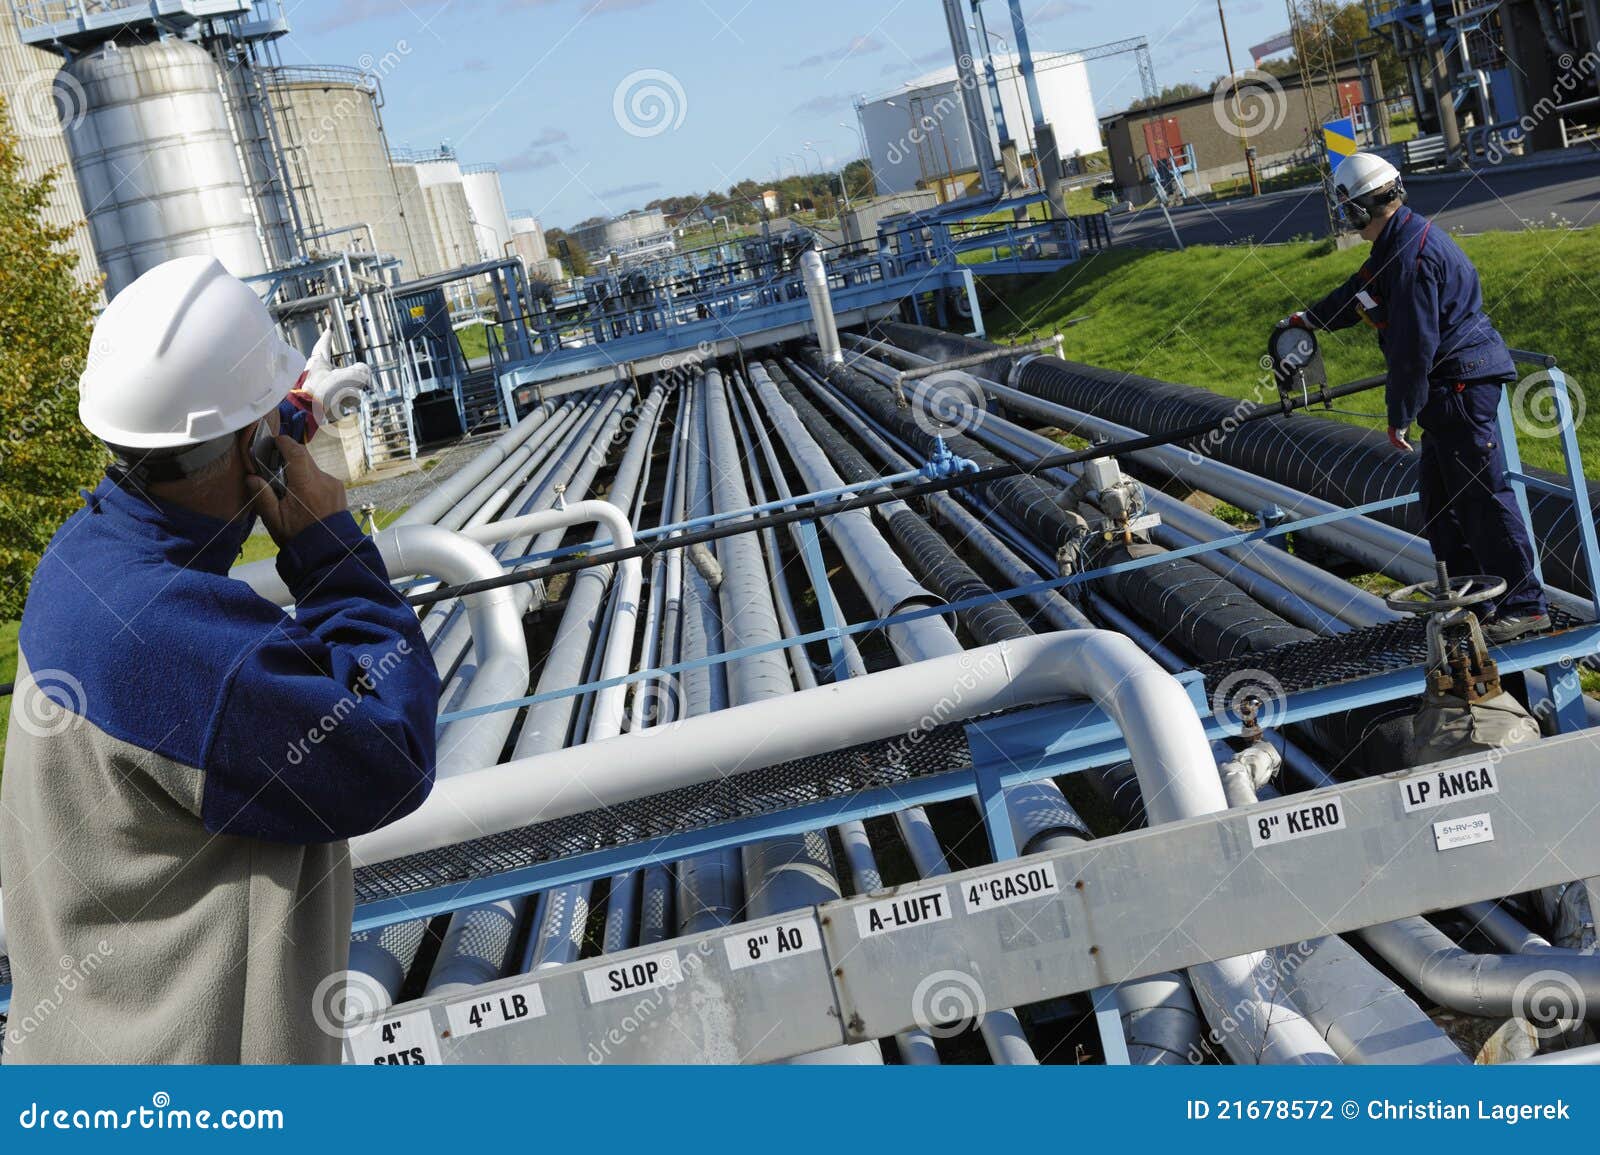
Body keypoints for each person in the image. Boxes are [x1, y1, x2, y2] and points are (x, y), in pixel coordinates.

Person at [0, 257, 440, 1063]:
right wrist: (331, 553)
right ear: (254, 449)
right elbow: (394, 751)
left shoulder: (80, 563)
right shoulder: (185, 642)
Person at [1278, 152, 1549, 643]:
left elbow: (1412, 347)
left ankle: (1525, 606)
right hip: (1449, 390)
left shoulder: (1412, 258)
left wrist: (1398, 415)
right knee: (1443, 508)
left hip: (1461, 386)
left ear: (1358, 210)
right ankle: (1473, 601)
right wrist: (1308, 320)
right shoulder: (1398, 243)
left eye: (1347, 210)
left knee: (1483, 499)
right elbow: (1357, 293)